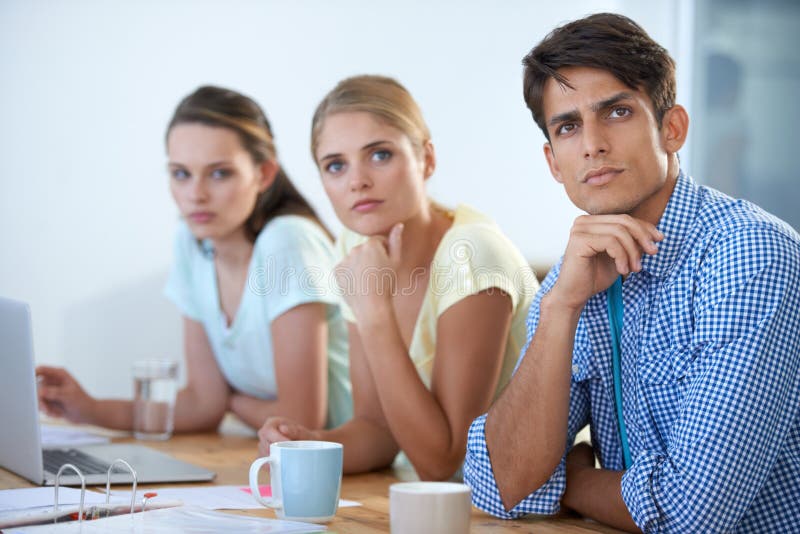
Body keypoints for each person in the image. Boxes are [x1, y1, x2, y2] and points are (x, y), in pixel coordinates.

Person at [464, 13, 800, 533]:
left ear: (672, 128)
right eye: (569, 126)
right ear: (554, 162)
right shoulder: (575, 277)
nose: (592, 144)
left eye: (616, 111)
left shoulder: (750, 255)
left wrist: (570, 482)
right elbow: (499, 485)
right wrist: (558, 309)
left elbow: (693, 515)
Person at [258, 75, 538, 480]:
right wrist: (308, 443)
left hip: (517, 506)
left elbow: (444, 461)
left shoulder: (472, 255)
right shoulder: (356, 247)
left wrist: (374, 314)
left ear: (427, 159)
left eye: (380, 155)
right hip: (433, 503)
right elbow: (379, 430)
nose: (357, 181)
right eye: (335, 165)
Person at [37, 86, 352, 434]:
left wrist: (233, 401)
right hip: (278, 459)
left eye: (219, 173)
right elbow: (203, 405)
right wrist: (90, 409)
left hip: (355, 470)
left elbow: (301, 422)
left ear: (263, 174)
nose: (195, 195)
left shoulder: (287, 240)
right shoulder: (192, 243)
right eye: (181, 174)